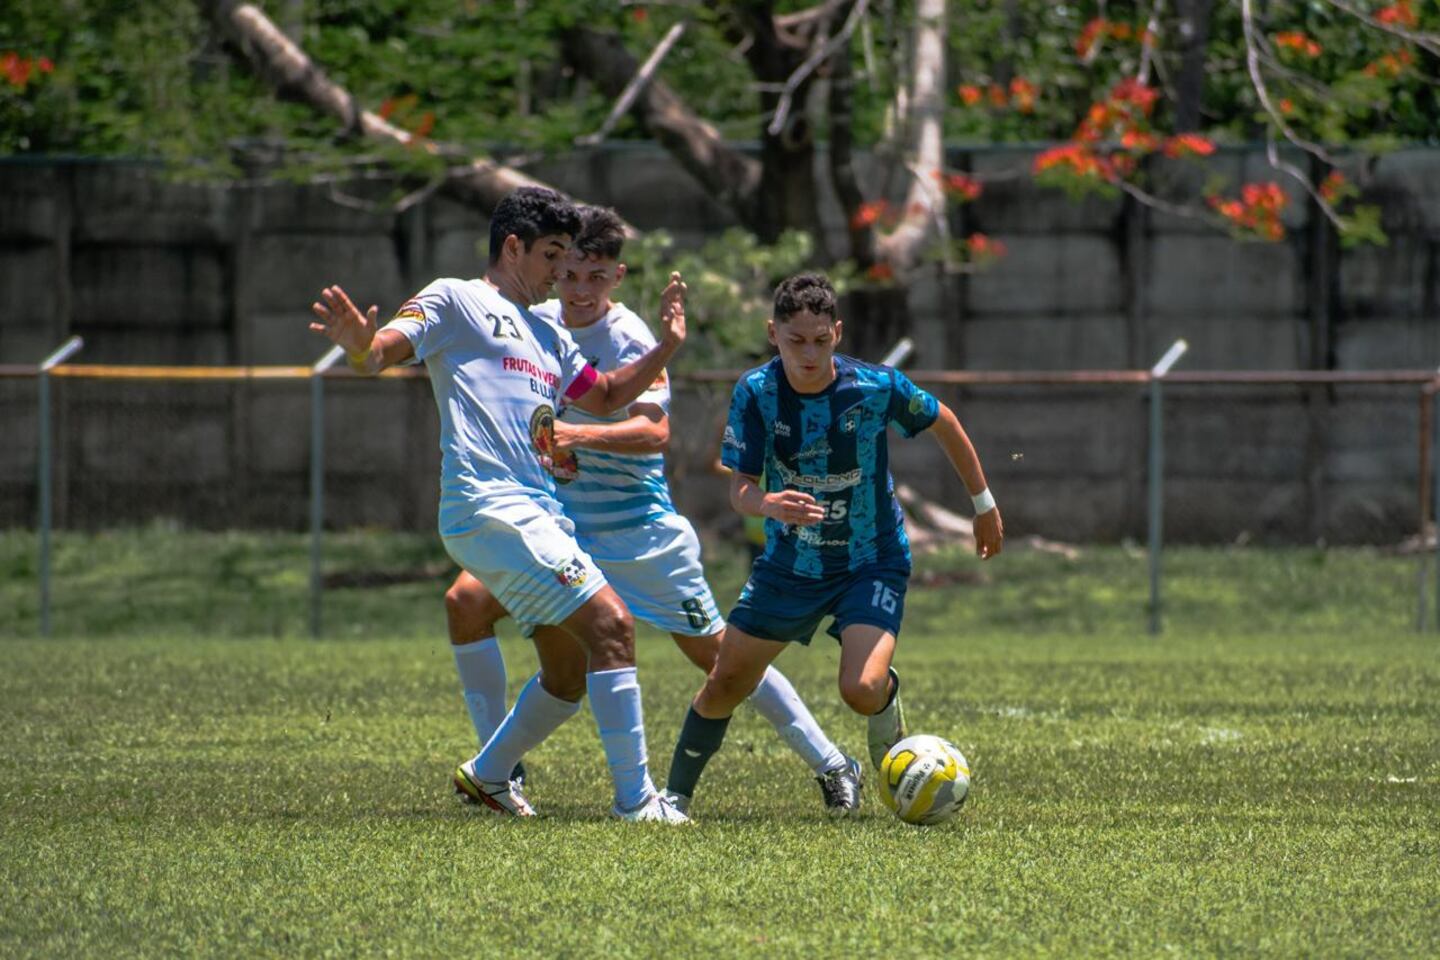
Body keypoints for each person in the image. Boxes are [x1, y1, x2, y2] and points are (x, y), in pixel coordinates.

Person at [443, 206, 863, 815]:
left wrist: (575, 436)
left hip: (639, 533)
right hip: (561, 528)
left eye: (596, 277)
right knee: (470, 605)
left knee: (722, 660)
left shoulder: (629, 337)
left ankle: (831, 762)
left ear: (618, 276)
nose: (579, 290)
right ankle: (496, 770)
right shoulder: (533, 323)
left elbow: (654, 431)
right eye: (569, 274)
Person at [308, 187, 688, 823]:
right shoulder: (457, 299)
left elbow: (606, 395)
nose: (562, 273)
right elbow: (381, 352)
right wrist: (361, 347)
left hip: (539, 511)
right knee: (613, 626)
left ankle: (488, 775)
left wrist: (667, 345)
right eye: (552, 256)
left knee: (567, 675)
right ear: (513, 247)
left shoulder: (548, 332)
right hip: (490, 505)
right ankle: (638, 802)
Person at [661, 272, 1005, 817]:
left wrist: (983, 506)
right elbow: (740, 490)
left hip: (871, 560)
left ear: (837, 334)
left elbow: (944, 421)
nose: (809, 354)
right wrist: (769, 504)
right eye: (795, 340)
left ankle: (885, 712)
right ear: (773, 334)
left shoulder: (874, 387)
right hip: (790, 566)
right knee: (725, 681)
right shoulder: (756, 392)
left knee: (861, 690)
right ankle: (674, 799)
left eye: (820, 340)